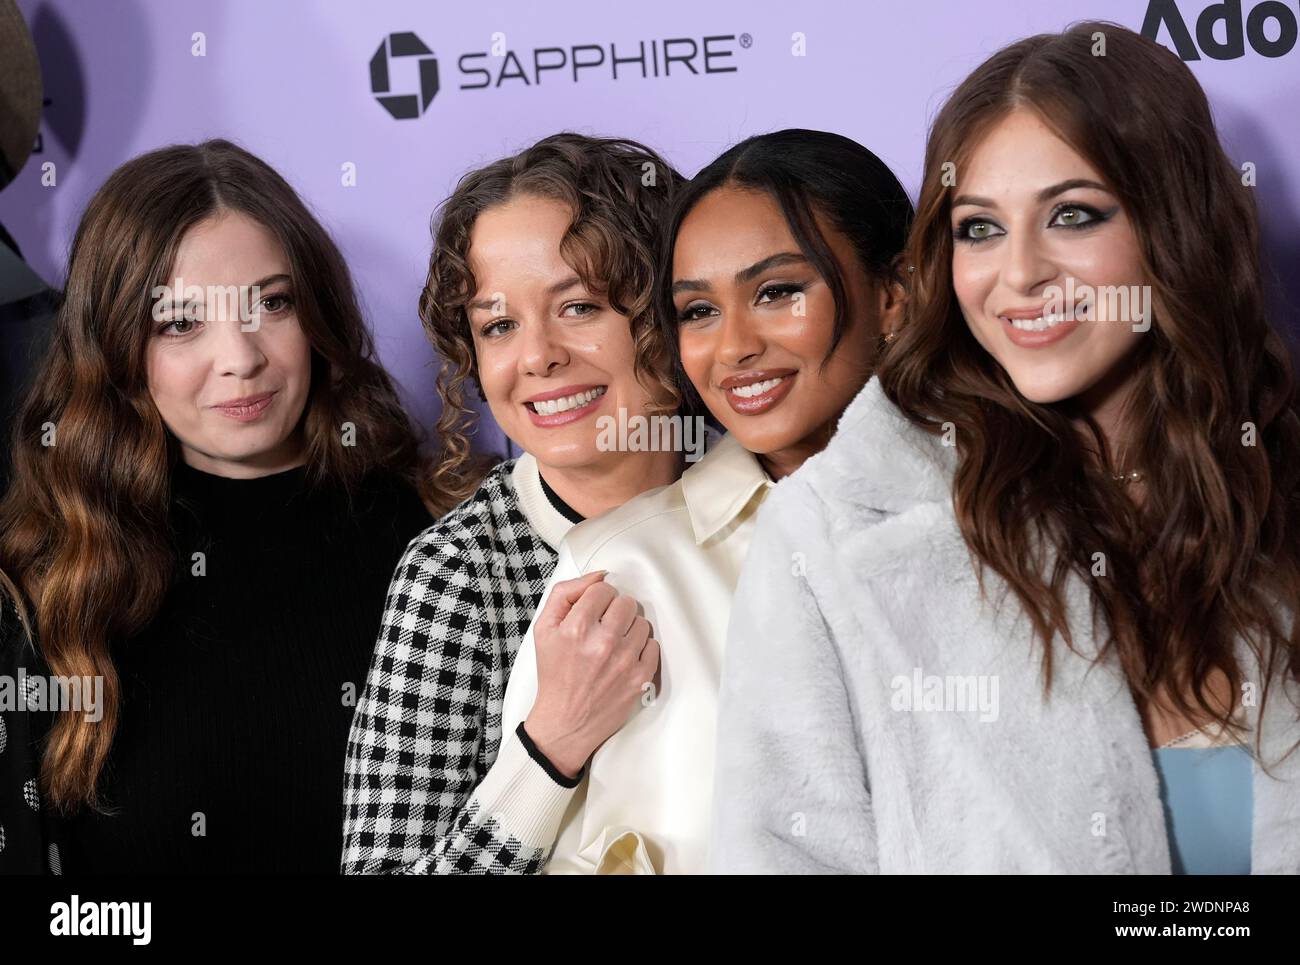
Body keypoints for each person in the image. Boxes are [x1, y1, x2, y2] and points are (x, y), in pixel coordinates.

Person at [711, 23, 1300, 874]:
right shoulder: (838, 531)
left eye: (1072, 215)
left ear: (1174, 227)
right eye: (979, 229)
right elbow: (778, 854)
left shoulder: (1273, 492)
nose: (1018, 273)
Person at [0, 139, 436, 873]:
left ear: (316, 309)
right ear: (117, 348)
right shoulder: (46, 579)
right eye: (181, 322)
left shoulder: (429, 533)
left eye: (271, 302)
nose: (241, 357)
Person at [499, 129, 911, 873]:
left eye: (778, 291)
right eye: (697, 311)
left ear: (893, 297)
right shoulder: (615, 573)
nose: (734, 347)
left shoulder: (1006, 518)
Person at [340, 133, 687, 874]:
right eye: (499, 325)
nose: (537, 356)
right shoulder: (459, 575)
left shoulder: (779, 501)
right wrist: (548, 748)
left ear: (670, 308)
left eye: (580, 306)